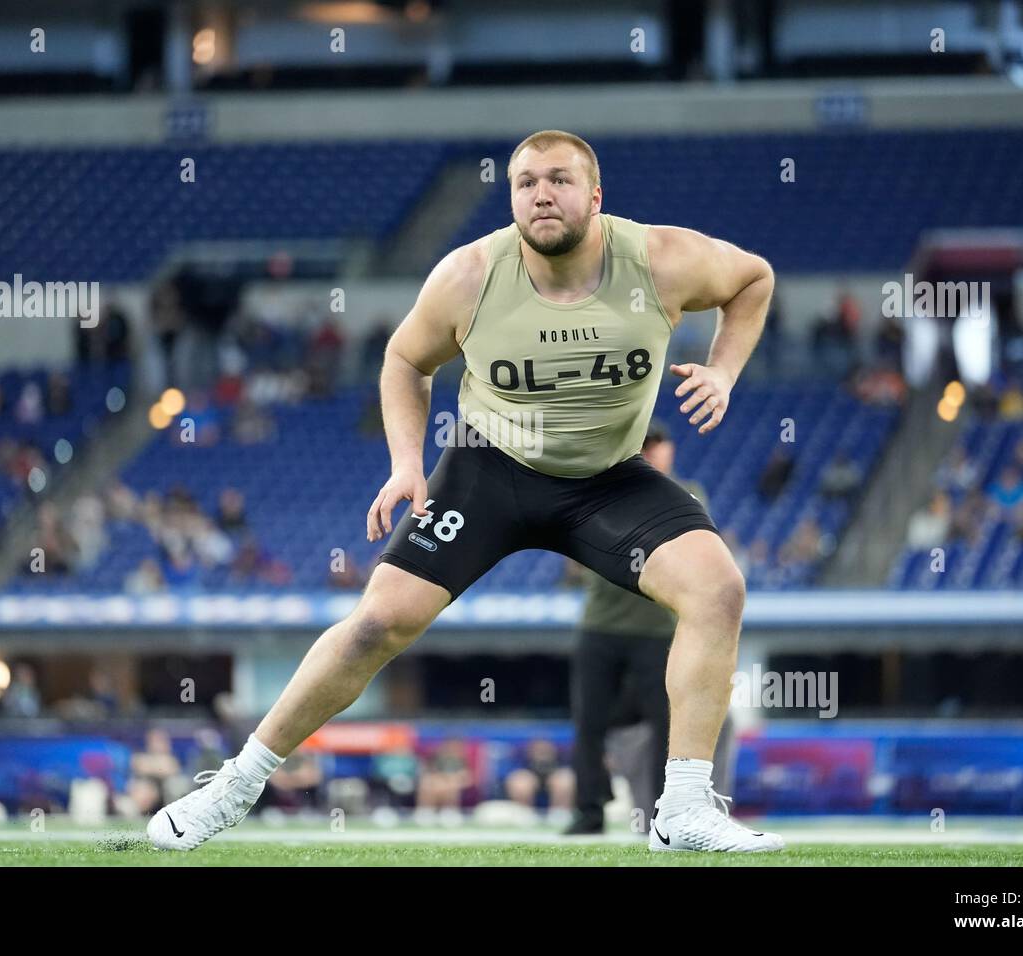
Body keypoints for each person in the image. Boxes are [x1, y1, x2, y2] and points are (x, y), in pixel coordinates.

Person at [148, 128, 782, 853]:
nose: (542, 194)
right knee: (377, 623)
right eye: (526, 182)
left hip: (609, 476)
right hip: (491, 469)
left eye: (561, 180)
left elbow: (753, 279)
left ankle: (684, 808)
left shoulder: (661, 260)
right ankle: (235, 784)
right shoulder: (471, 275)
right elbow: (404, 360)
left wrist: (724, 372)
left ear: (596, 197)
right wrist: (404, 463)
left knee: (719, 589)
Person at [564, 422, 732, 836]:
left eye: (660, 445)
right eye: (646, 445)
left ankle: (663, 814)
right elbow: (575, 555)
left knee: (666, 724)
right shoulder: (601, 486)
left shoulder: (685, 494)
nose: (655, 453)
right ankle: (589, 811)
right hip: (601, 625)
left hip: (658, 629)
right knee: (588, 721)